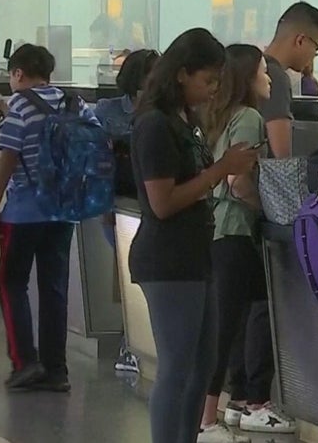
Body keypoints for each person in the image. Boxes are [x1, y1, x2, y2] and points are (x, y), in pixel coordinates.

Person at [130, 28, 260, 443]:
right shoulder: (154, 125)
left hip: (195, 257)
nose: (211, 91)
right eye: (207, 81)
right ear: (182, 74)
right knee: (176, 367)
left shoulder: (185, 122)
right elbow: (163, 202)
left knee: (200, 367)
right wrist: (221, 170)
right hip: (168, 261)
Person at [198, 45, 294, 440]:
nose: (269, 78)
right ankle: (209, 418)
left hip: (216, 229)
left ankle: (240, 400)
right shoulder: (252, 117)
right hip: (237, 231)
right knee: (228, 327)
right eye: (262, 72)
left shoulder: (218, 117)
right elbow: (239, 183)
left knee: (244, 313)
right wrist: (268, 206)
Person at [0, 44, 89, 393]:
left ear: (17, 74)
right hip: (63, 211)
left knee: (12, 283)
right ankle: (56, 369)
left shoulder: (17, 107)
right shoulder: (74, 103)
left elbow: (7, 159)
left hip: (24, 212)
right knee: (54, 288)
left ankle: (24, 362)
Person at [95, 48, 159, 375]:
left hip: (153, 201)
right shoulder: (108, 111)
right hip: (121, 201)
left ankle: (140, 342)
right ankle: (130, 342)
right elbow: (99, 160)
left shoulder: (165, 112)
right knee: (128, 274)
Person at [260, 2, 318, 159]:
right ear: (300, 40)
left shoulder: (254, 69)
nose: (314, 56)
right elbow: (282, 157)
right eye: (317, 48)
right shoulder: (276, 78)